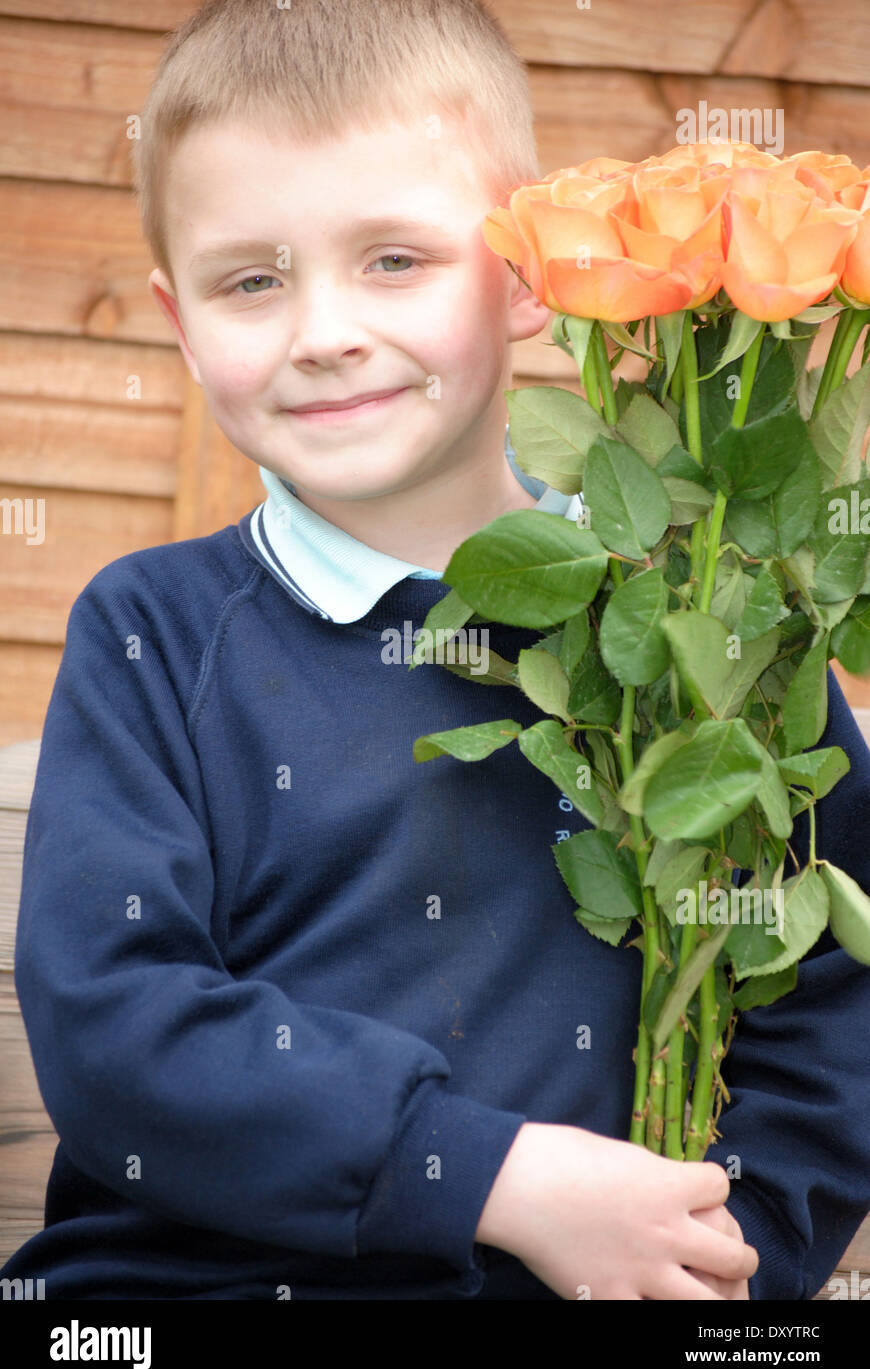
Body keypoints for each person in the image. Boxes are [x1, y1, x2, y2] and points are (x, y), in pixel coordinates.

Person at [2, 0, 869, 1302]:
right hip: (174, 1294)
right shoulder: (151, 631)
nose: (324, 329)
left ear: (522, 277)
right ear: (181, 327)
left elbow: (831, 1004)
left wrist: (721, 1252)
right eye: (254, 279)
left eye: (394, 259)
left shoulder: (711, 620)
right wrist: (489, 1175)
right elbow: (116, 1024)